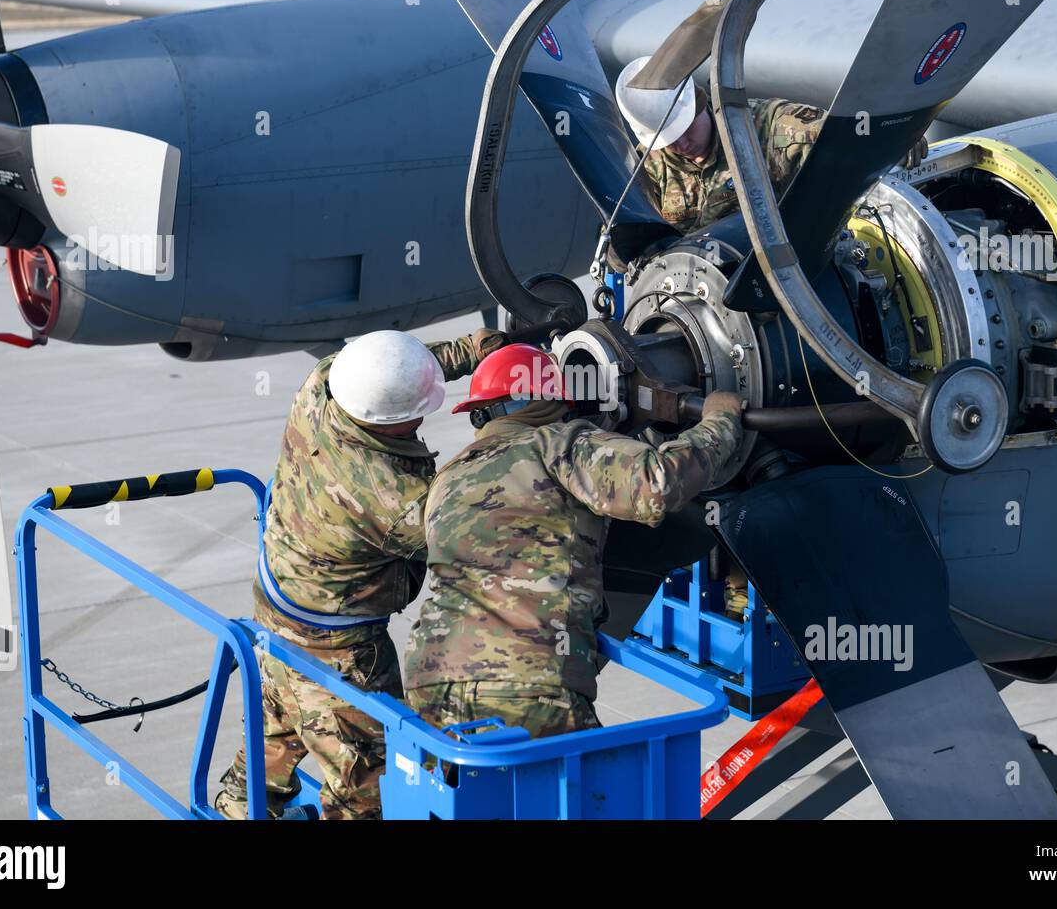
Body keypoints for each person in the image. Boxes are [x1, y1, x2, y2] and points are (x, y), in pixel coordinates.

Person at [214, 326, 505, 820]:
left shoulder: (324, 384)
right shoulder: (393, 501)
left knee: (282, 714)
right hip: (339, 649)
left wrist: (472, 352)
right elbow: (478, 525)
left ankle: (241, 804)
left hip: (278, 596)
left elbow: (389, 371)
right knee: (373, 773)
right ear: (392, 421)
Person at [404, 343, 745, 738]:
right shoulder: (557, 445)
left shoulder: (447, 476)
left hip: (430, 686)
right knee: (592, 793)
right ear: (549, 400)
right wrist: (720, 420)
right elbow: (657, 484)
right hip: (529, 687)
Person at [615, 55, 927, 234]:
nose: (682, 143)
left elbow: (835, 135)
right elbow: (631, 235)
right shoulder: (651, 170)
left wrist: (891, 136)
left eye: (685, 129)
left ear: (700, 104)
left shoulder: (765, 127)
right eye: (670, 141)